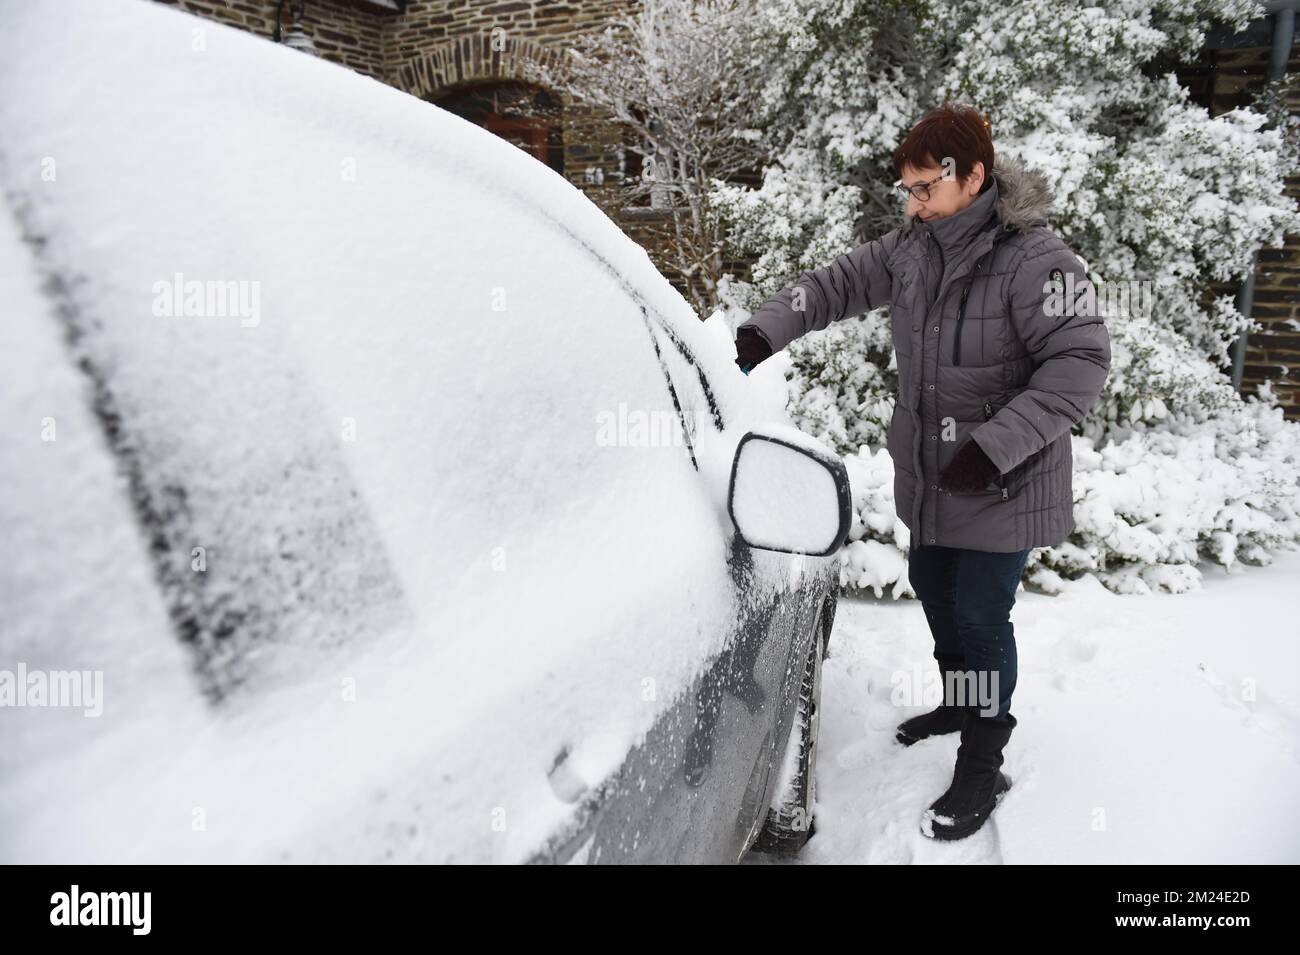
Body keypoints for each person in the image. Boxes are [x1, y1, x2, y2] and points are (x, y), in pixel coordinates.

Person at [733, 103, 1111, 841]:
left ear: (974, 176)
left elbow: (1081, 365)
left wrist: (994, 446)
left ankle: (983, 755)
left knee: (979, 615)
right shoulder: (914, 247)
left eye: (924, 187)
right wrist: (763, 330)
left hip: (1003, 479)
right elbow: (836, 284)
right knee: (937, 592)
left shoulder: (1040, 262)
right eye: (904, 190)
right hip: (934, 477)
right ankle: (960, 700)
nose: (912, 203)